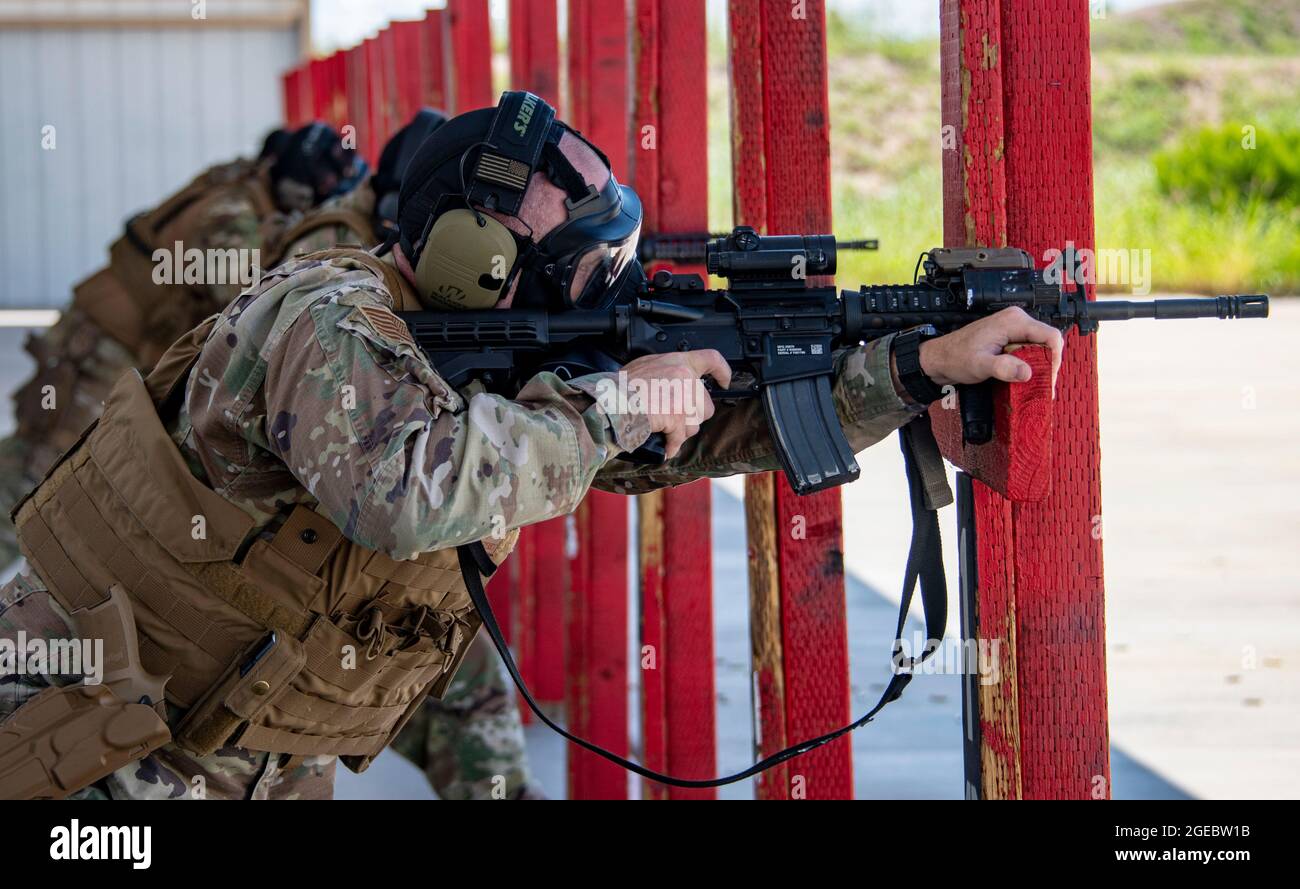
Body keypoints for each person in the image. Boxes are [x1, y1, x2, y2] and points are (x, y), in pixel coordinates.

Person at [0, 92, 1063, 799]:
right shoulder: (327, 312)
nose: (596, 291)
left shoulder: (466, 350)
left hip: (234, 732)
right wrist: (608, 403)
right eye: (571, 262)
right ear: (470, 253)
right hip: (91, 727)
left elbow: (677, 444)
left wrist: (913, 367)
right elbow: (404, 492)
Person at [275, 107, 545, 800]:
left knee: (465, 677)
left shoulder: (401, 274)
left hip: (317, 588)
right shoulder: (334, 276)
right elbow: (398, 494)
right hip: (265, 597)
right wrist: (609, 412)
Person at [0, 123, 364, 568]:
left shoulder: (244, 187)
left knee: (42, 460)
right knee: (38, 465)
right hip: (99, 349)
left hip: (110, 342)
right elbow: (242, 294)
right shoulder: (232, 210)